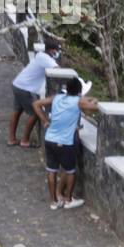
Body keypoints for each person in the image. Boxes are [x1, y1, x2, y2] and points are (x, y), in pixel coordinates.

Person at [31, 76, 98, 210]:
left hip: (50, 139)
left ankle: (54, 202)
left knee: (52, 171)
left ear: (66, 89)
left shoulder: (56, 98)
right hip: (65, 142)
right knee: (70, 171)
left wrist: (45, 121)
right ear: (79, 91)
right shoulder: (78, 101)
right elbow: (93, 107)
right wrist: (94, 99)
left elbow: (36, 104)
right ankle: (68, 199)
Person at [8, 40, 60, 147]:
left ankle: (11, 139)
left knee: (16, 111)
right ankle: (25, 140)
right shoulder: (46, 58)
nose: (57, 53)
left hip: (18, 84)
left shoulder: (40, 55)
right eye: (57, 51)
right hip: (26, 88)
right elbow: (58, 70)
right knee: (36, 112)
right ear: (52, 50)